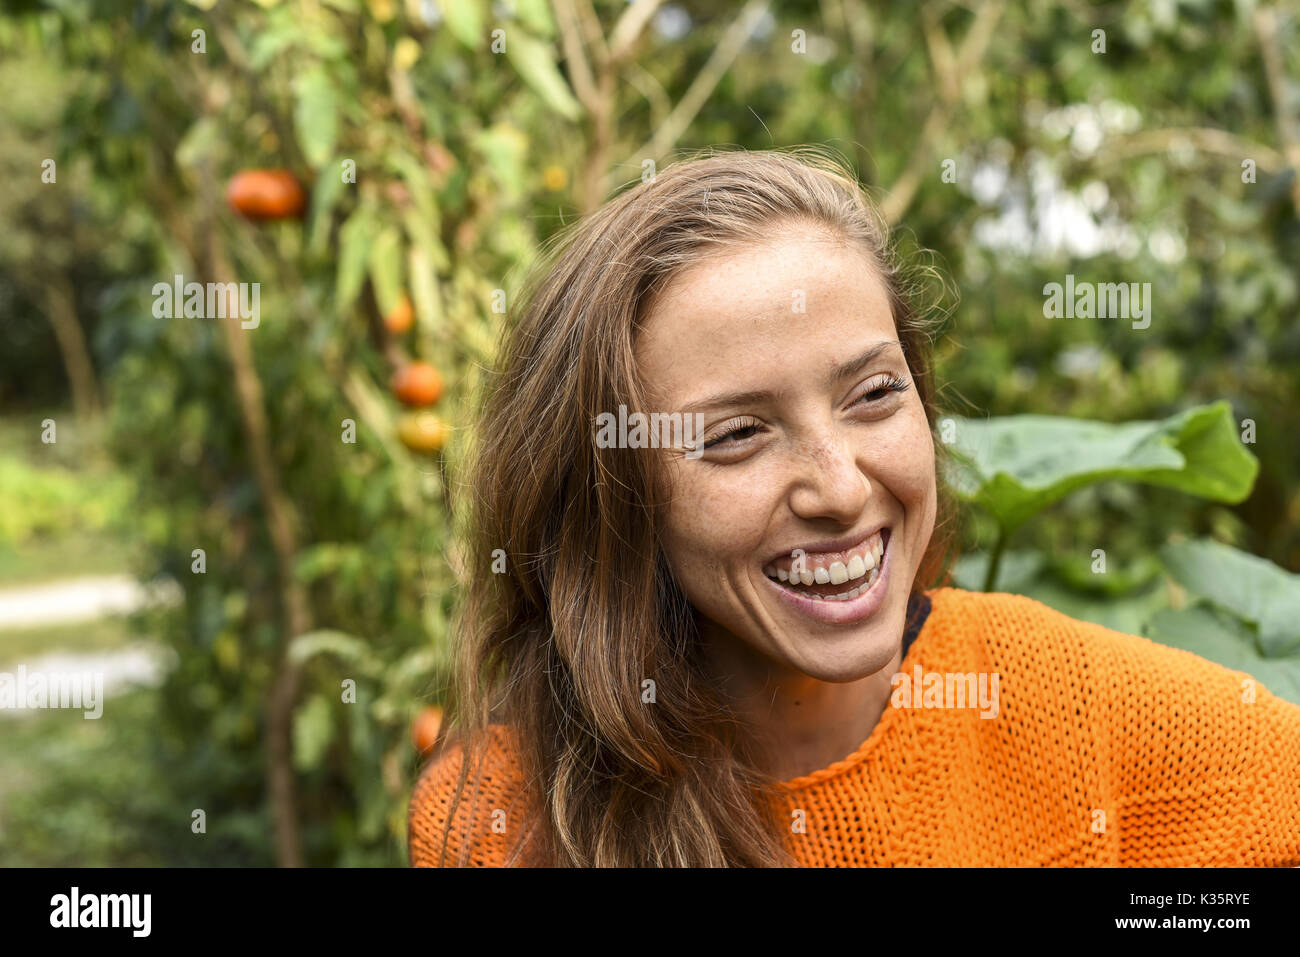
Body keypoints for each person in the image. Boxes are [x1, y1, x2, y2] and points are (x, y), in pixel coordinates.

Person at [408, 147, 1300, 867]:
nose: (839, 488)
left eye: (873, 394)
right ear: (612, 494)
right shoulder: (497, 819)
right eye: (736, 436)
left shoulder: (1088, 709)